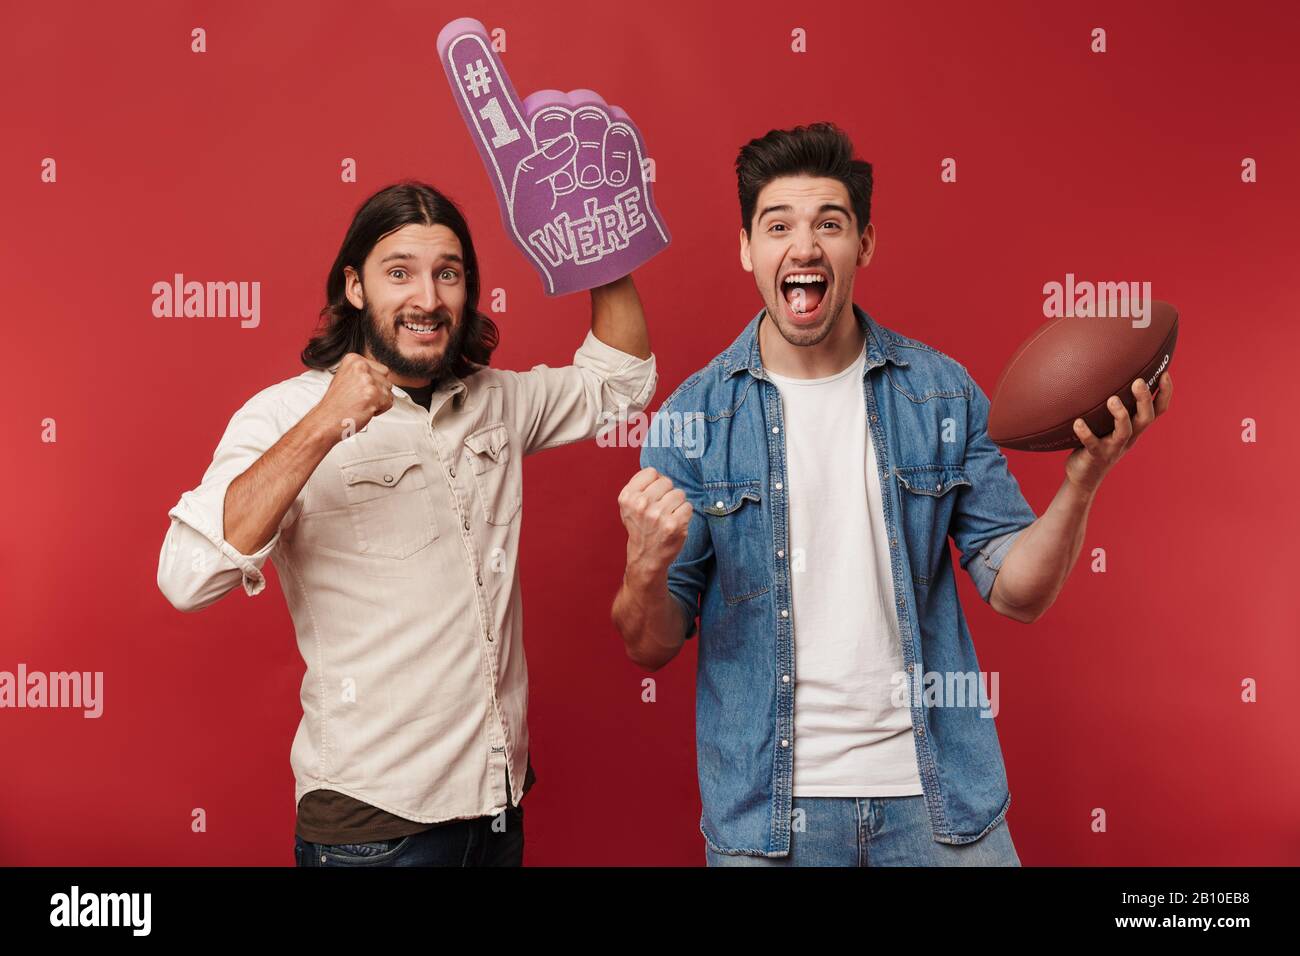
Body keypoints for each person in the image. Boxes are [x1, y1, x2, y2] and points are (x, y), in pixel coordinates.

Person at [610, 123, 1172, 866]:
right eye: (778, 226)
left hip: (939, 802)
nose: (803, 247)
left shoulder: (941, 393)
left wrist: (1082, 479)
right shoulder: (692, 421)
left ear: (864, 245)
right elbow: (648, 645)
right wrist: (645, 565)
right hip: (770, 814)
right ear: (747, 248)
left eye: (829, 225)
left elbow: (1018, 592)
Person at [158, 181, 657, 866]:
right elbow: (187, 577)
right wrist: (324, 423)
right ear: (355, 287)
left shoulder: (496, 403)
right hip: (376, 833)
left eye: (447, 273)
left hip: (497, 806)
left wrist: (593, 239)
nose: (427, 298)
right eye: (400, 272)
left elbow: (619, 383)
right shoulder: (283, 414)